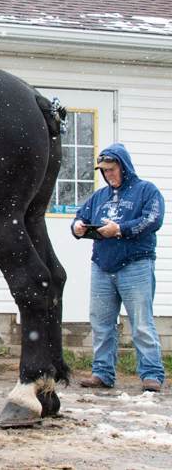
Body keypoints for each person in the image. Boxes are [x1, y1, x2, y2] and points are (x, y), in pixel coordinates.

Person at [72, 143, 165, 392]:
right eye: (104, 171)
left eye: (113, 169)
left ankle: (152, 374)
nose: (109, 174)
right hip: (102, 267)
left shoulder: (147, 191)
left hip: (136, 265)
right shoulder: (98, 197)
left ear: (124, 167)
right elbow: (80, 216)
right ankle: (102, 374)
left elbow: (153, 220)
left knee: (141, 323)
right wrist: (78, 227)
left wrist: (121, 230)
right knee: (101, 323)